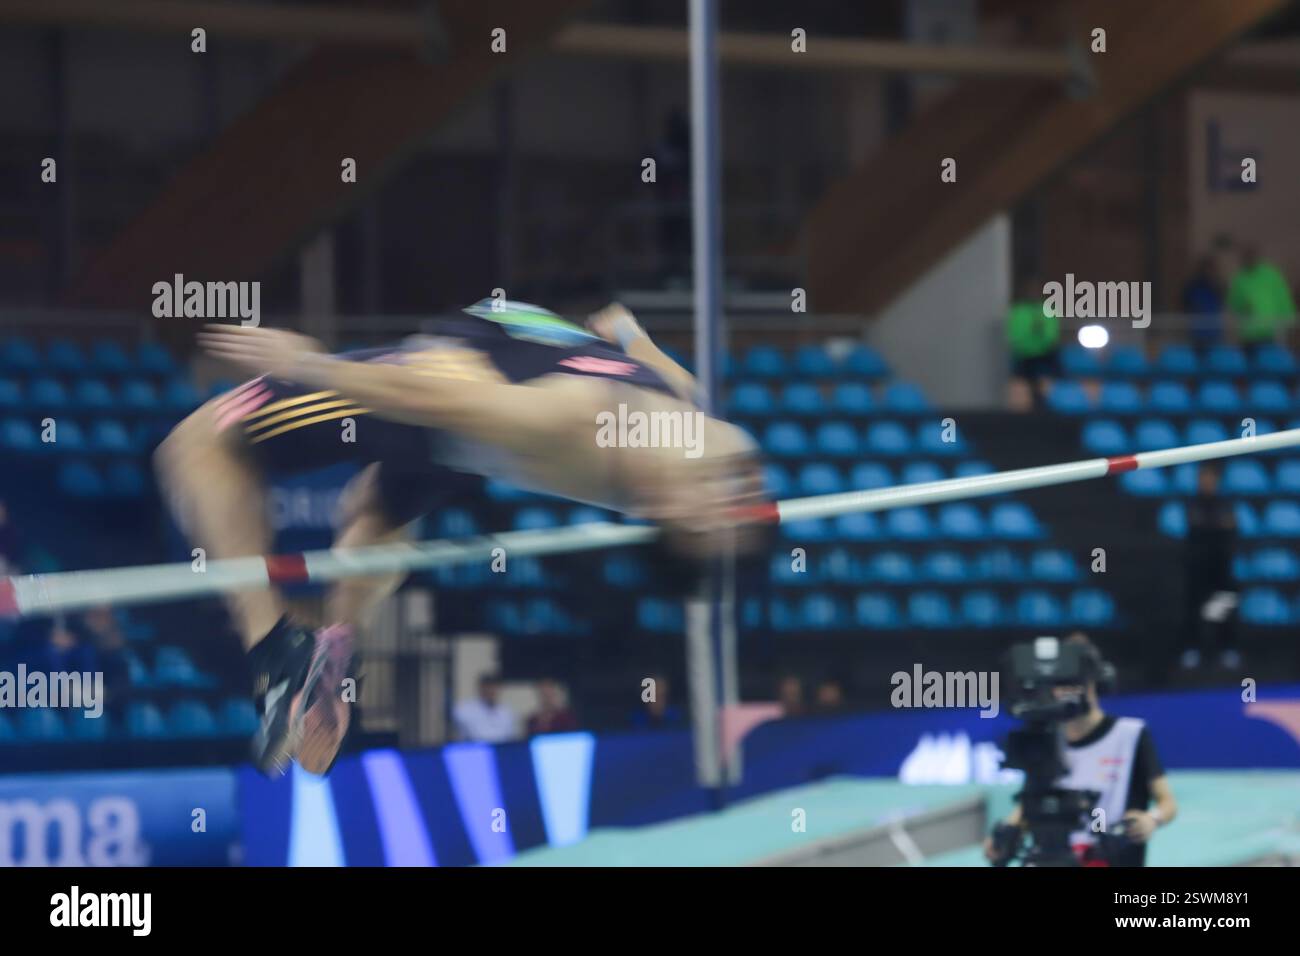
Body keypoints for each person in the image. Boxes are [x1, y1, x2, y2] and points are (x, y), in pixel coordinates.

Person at [157, 301, 770, 775]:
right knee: (375, 508)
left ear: (665, 511)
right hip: (491, 395)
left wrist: (307, 364)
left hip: (462, 374)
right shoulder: (711, 437)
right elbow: (682, 383)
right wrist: (631, 335)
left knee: (196, 444)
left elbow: (442, 398)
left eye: (718, 510)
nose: (740, 489)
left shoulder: (577, 420)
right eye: (741, 491)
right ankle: (336, 649)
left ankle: (275, 653)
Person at [985, 634, 1177, 867]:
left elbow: (1167, 802)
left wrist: (1152, 819)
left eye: (1075, 683)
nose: (1067, 692)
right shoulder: (1044, 738)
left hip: (1107, 857)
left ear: (1096, 681)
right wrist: (1006, 835)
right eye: (1060, 684)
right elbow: (1034, 801)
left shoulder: (1130, 734)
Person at [1180, 465, 1239, 670]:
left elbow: (1231, 528)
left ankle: (1226, 649)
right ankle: (1192, 649)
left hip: (1221, 568)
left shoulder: (1225, 503)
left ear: (1216, 480)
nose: (1207, 482)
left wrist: (1212, 528)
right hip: (1197, 568)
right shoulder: (1192, 503)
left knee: (1222, 609)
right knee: (1194, 609)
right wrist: (1216, 527)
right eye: (1203, 478)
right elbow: (1196, 528)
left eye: (1210, 478)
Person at [1226, 242, 1295, 353]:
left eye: (1251, 255)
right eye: (1246, 256)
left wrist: (1288, 320)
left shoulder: (1271, 274)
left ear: (1257, 256)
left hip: (1270, 331)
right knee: (1249, 367)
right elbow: (1233, 305)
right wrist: (1242, 307)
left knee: (1272, 364)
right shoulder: (1238, 278)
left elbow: (1283, 298)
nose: (1249, 258)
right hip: (1247, 334)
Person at [1005, 276, 1061, 410]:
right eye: (1030, 290)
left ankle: (1047, 404)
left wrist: (1041, 339)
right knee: (1018, 381)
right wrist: (1030, 338)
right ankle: (1023, 406)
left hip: (1044, 354)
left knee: (1048, 379)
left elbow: (1052, 335)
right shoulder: (1018, 312)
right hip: (1024, 355)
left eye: (1036, 290)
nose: (1033, 293)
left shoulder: (1048, 310)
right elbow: (1014, 336)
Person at [452, 673, 518, 743]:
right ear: (481, 688)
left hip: (501, 750)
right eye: (488, 687)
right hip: (475, 750)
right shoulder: (464, 709)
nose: (491, 691)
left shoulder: (506, 712)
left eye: (495, 687)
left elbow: (510, 738)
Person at [1181, 255, 1224, 349]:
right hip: (1196, 333)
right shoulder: (1193, 287)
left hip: (1214, 333)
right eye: (1206, 269)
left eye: (1211, 269)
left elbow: (1222, 304)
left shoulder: (1217, 287)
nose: (1208, 272)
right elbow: (1184, 306)